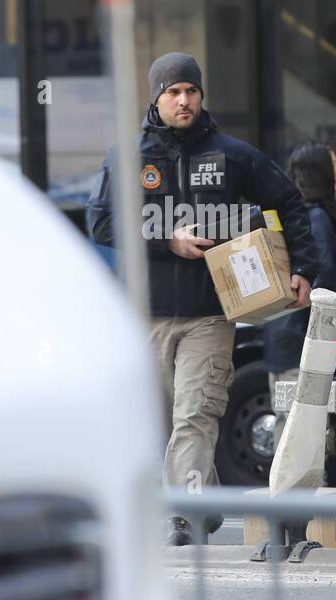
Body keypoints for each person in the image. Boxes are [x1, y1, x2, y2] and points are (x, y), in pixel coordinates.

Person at [86, 52, 320, 546]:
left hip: (211, 315)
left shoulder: (233, 155)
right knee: (164, 420)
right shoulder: (127, 157)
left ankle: (184, 516)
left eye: (191, 90)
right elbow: (101, 222)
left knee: (195, 414)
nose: (184, 99)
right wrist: (168, 239)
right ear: (157, 97)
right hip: (144, 314)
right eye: (173, 92)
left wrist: (303, 268)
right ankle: (203, 500)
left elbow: (291, 201)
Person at [263, 143, 336, 409]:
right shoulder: (316, 218)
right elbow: (325, 280)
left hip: (281, 336)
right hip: (301, 342)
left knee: (287, 422)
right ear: (319, 173)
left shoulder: (290, 216)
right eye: (334, 165)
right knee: (300, 424)